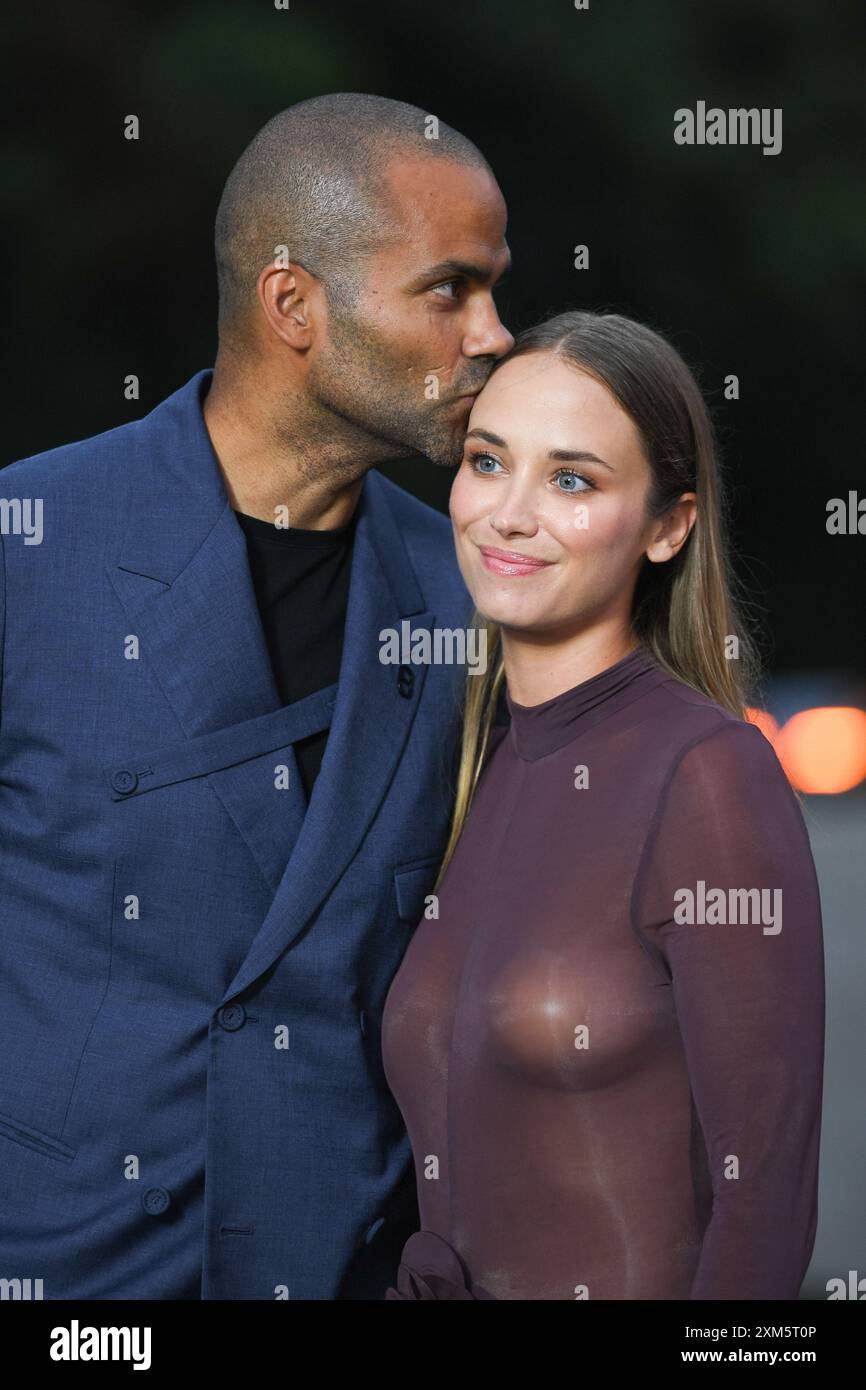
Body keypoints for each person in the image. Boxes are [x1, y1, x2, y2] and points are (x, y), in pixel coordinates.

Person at [0, 93, 513, 1299]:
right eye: (449, 289)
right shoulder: (29, 548)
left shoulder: (473, 595)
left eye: (495, 289)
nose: (494, 333)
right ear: (293, 304)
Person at [382, 310, 825, 1300]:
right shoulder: (459, 766)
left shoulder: (708, 776)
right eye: (487, 462)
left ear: (668, 524)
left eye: (571, 480)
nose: (508, 513)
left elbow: (762, 1207)